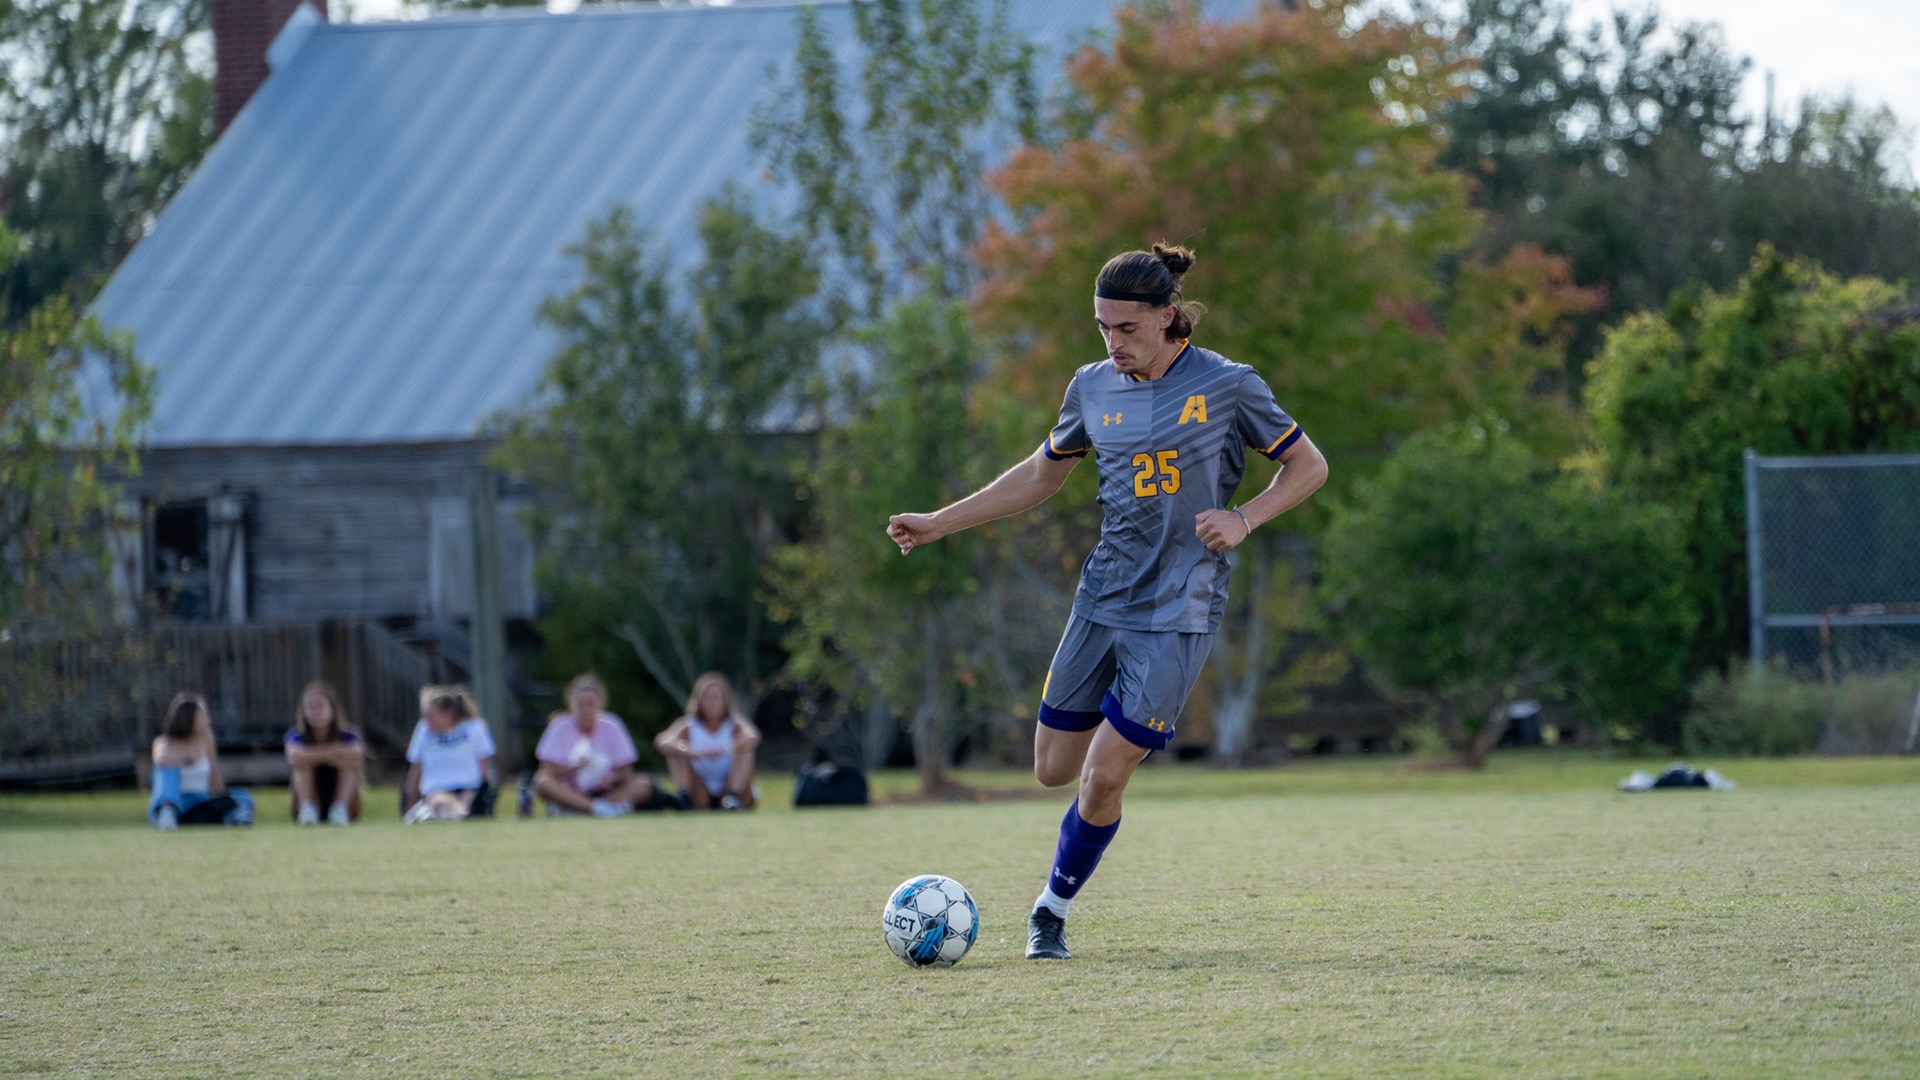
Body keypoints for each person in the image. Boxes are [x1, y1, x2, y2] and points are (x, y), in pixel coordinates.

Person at [886, 244, 1328, 960]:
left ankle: (1050, 911)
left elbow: (1309, 465)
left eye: (1127, 328)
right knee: (1053, 769)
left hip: (1180, 608)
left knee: (1102, 773)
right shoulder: (1090, 387)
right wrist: (940, 522)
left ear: (1167, 317)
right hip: (1102, 598)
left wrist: (1245, 517)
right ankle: (1089, 813)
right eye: (1102, 327)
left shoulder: (1229, 384)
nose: (1113, 342)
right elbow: (1039, 476)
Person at [532, 674, 659, 816]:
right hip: (569, 790)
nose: (586, 710)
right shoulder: (559, 725)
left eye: (590, 704)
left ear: (600, 703)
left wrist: (611, 778)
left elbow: (626, 771)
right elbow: (548, 769)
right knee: (541, 780)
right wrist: (574, 768)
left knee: (643, 784)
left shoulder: (613, 725)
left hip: (606, 792)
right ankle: (593, 808)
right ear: (571, 704)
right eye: (581, 704)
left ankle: (591, 808)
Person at [655, 672, 762, 810]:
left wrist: (724, 749)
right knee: (675, 752)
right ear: (699, 700)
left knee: (745, 750)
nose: (713, 703)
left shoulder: (735, 724)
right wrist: (691, 752)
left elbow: (753, 736)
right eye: (709, 698)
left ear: (725, 701)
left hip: (728, 780)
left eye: (717, 698)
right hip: (700, 785)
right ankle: (684, 797)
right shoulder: (689, 725)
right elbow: (663, 741)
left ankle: (732, 796)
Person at [149, 692, 255, 829]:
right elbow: (161, 759)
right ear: (189, 718)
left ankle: (230, 815)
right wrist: (187, 759)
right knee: (166, 769)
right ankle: (167, 812)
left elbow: (215, 776)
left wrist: (226, 800)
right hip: (178, 801)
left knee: (243, 797)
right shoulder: (165, 742)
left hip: (200, 801)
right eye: (203, 716)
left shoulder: (207, 740)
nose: (208, 720)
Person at [403, 686, 496, 822]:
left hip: (469, 788)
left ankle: (459, 813)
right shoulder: (423, 731)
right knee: (441, 802)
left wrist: (483, 793)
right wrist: (409, 806)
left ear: (448, 713)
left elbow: (483, 767)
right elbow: (417, 770)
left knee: (468, 801)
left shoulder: (475, 728)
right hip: (437, 790)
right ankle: (462, 814)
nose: (425, 721)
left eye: (430, 716)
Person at [284, 680, 365, 826]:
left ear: (332, 710)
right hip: (310, 793)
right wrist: (335, 752)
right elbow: (295, 758)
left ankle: (339, 809)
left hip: (343, 796)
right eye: (310, 707)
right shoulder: (296, 735)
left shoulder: (349, 734)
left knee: (348, 764)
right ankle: (308, 810)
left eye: (320, 706)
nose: (316, 711)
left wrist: (312, 756)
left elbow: (357, 756)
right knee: (302, 766)